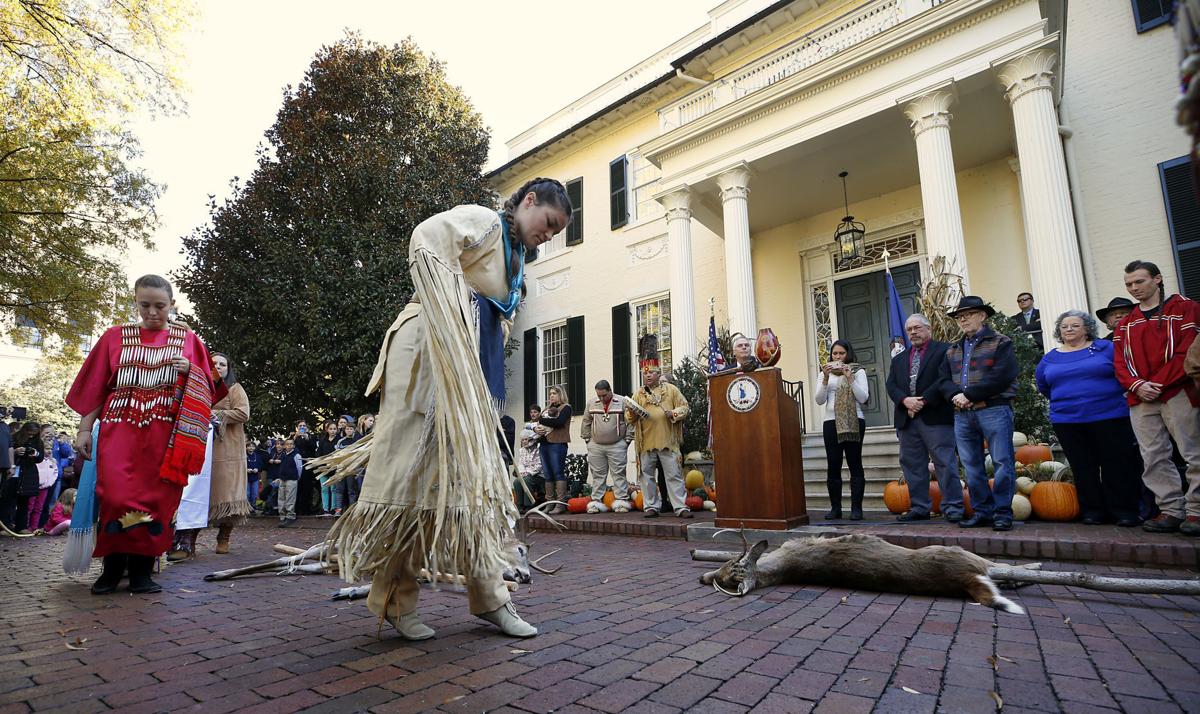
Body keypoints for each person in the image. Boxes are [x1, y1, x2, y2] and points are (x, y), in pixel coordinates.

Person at [319, 177, 571, 640]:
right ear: (528, 202)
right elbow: (426, 240)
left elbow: (502, 323)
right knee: (410, 479)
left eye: (556, 232)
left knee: (478, 485)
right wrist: (461, 317)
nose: (549, 234)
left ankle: (492, 598)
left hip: (469, 374)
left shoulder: (515, 263)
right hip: (427, 358)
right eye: (549, 223)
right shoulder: (482, 221)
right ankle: (394, 600)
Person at [67, 274, 222, 594]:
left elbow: (212, 386)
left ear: (172, 305)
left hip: (164, 434)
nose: (152, 312)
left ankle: (141, 572)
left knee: (156, 502)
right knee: (114, 498)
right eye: (145, 305)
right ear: (135, 302)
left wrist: (189, 371)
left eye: (160, 306)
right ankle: (111, 569)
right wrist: (84, 429)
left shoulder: (188, 340)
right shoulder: (114, 337)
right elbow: (95, 386)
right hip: (119, 429)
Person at [1113, 260, 1200, 535]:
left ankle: (1197, 510)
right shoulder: (1125, 324)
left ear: (1158, 279)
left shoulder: (1186, 309)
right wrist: (1137, 385)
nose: (1134, 288)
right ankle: (1171, 509)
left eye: (1139, 281)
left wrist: (1158, 383)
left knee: (1193, 452)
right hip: (1140, 398)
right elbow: (1119, 363)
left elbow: (1188, 352)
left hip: (1178, 392)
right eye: (1129, 284)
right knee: (1153, 457)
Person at [1036, 310, 1143, 526]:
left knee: (1116, 464)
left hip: (1109, 416)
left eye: (1075, 325)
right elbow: (1044, 386)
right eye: (1064, 326)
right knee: (1082, 466)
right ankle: (1093, 512)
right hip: (1068, 420)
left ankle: (1123, 511)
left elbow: (1123, 373)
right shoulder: (1050, 358)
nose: (1068, 329)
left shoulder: (1105, 348)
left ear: (1087, 329)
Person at [942, 296, 1019, 531]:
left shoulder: (1000, 342)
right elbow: (943, 379)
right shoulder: (952, 349)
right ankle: (983, 511)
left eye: (968, 314)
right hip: (962, 414)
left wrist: (970, 395)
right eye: (959, 316)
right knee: (972, 466)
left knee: (1002, 462)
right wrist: (955, 394)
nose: (962, 319)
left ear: (982, 316)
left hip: (993, 410)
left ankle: (1003, 512)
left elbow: (1003, 375)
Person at [885, 315, 963, 523]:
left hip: (935, 415)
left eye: (917, 328)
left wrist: (923, 401)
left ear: (928, 328)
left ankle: (953, 507)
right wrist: (905, 401)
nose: (913, 332)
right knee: (912, 464)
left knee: (944, 462)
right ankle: (919, 507)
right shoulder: (899, 359)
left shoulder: (944, 350)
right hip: (906, 418)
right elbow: (891, 385)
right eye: (909, 329)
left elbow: (943, 380)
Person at [814, 340, 869, 520]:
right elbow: (820, 400)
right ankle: (835, 508)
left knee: (855, 464)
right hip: (831, 422)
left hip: (854, 421)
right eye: (835, 354)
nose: (837, 357)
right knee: (833, 464)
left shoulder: (858, 371)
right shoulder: (825, 374)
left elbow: (863, 397)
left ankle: (856, 509)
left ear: (848, 354)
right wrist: (824, 379)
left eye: (841, 354)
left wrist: (850, 378)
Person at [627, 367, 691, 518]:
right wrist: (631, 412)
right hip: (645, 442)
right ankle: (651, 506)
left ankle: (681, 507)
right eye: (645, 373)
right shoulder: (639, 393)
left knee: (674, 474)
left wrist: (674, 413)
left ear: (659, 374)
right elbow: (628, 418)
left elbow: (685, 407)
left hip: (668, 440)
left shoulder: (671, 390)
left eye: (651, 373)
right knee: (646, 476)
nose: (648, 375)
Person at [580, 380, 633, 512]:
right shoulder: (592, 403)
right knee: (597, 474)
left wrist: (627, 440)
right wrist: (587, 439)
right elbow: (586, 420)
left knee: (618, 473)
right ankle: (596, 502)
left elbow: (631, 422)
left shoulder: (622, 402)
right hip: (596, 445)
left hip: (617, 444)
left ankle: (621, 502)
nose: (601, 398)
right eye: (599, 396)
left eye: (604, 395)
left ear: (610, 391)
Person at [537, 386, 573, 514]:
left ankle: (560, 504)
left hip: (557, 444)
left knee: (558, 472)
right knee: (547, 474)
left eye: (554, 393)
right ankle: (549, 503)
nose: (551, 396)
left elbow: (559, 422)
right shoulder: (547, 409)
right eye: (550, 393)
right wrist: (536, 429)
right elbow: (538, 423)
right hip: (544, 444)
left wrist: (541, 420)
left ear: (560, 394)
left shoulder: (566, 408)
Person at [12, 422, 45, 533]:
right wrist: (16, 452)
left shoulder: (38, 442)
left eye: (33, 434)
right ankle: (6, 524)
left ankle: (21, 527)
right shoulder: (15, 437)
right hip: (15, 470)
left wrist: (35, 454)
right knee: (9, 499)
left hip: (28, 473)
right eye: (29, 434)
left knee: (24, 502)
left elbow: (40, 458)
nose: (31, 436)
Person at [514, 426, 544, 513]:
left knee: (526, 481)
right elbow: (521, 463)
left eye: (526, 439)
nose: (524, 441)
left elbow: (539, 465)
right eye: (522, 440)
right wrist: (522, 472)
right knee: (517, 481)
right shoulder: (522, 450)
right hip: (526, 474)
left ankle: (529, 505)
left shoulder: (538, 449)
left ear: (531, 440)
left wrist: (528, 473)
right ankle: (520, 505)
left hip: (538, 475)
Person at [292, 420, 318, 516]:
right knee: (297, 487)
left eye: (304, 426)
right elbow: (289, 448)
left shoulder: (312, 437)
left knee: (307, 487)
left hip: (307, 465)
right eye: (300, 426)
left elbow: (314, 447)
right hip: (296, 465)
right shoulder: (294, 437)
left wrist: (307, 439)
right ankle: (297, 508)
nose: (302, 427)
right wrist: (295, 437)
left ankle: (307, 508)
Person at [315, 419, 340, 516]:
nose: (333, 430)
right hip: (323, 468)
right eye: (331, 429)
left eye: (334, 429)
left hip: (334, 468)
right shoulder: (322, 441)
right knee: (324, 488)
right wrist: (320, 464)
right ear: (327, 430)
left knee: (334, 489)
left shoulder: (339, 440)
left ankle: (333, 508)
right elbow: (319, 453)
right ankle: (325, 509)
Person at [275, 438, 302, 527]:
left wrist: (297, 477)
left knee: (290, 498)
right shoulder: (283, 455)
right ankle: (282, 516)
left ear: (293, 445)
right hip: (282, 479)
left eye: (291, 444)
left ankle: (290, 515)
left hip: (292, 479)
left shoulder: (296, 455)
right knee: (281, 498)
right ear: (285, 446)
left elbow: (299, 468)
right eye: (287, 444)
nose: (289, 446)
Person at [246, 442, 263, 511]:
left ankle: (253, 506)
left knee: (255, 493)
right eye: (249, 446)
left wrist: (257, 469)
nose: (251, 448)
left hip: (255, 477)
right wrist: (246, 470)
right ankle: (247, 506)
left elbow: (261, 465)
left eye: (253, 446)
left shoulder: (257, 456)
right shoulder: (244, 455)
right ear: (246, 447)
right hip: (247, 478)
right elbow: (240, 466)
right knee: (247, 493)